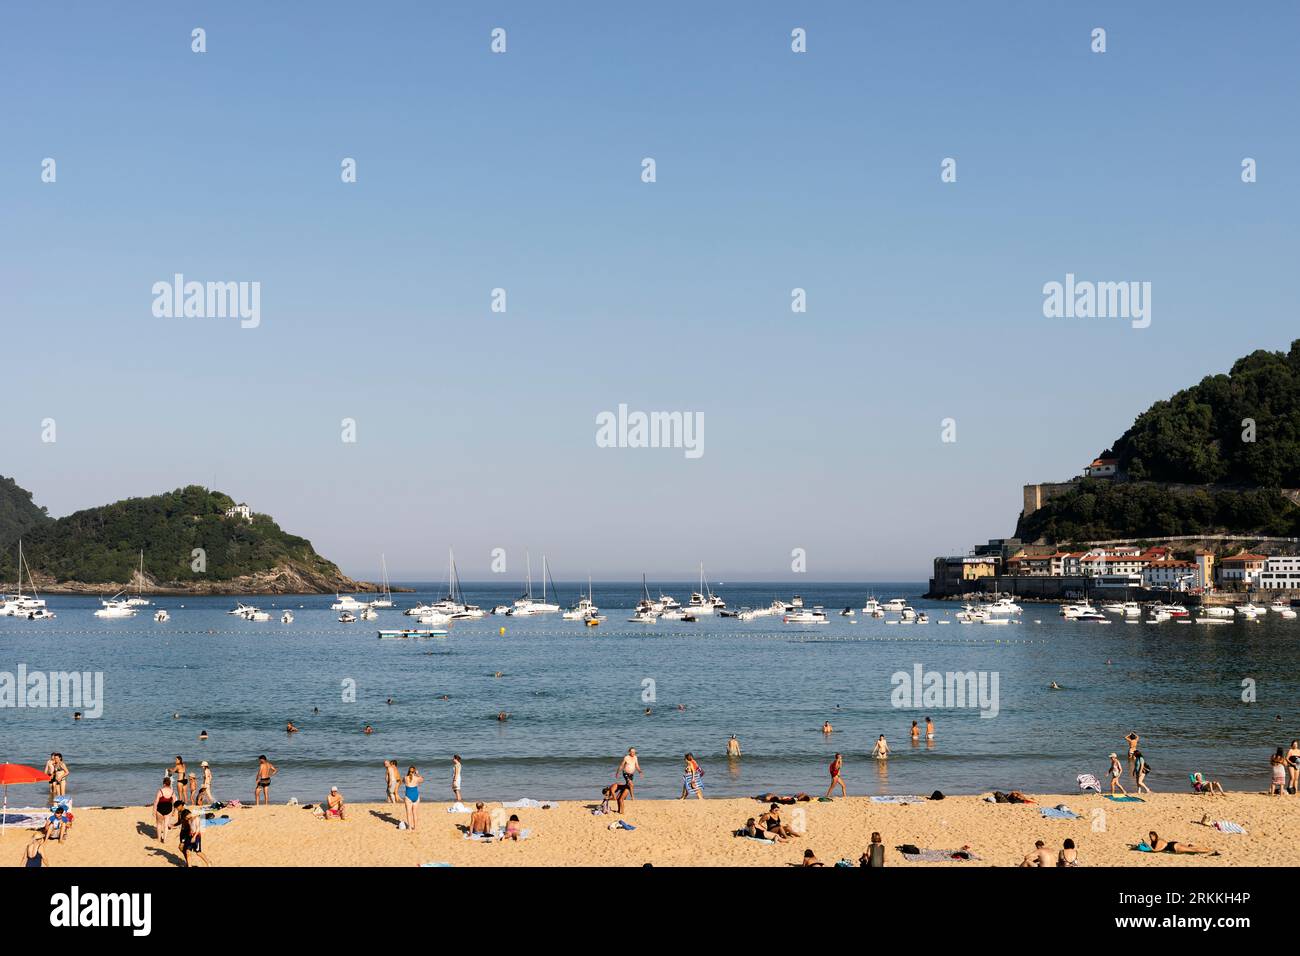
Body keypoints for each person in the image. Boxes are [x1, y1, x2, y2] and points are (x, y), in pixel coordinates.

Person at [1147, 831, 1214, 854]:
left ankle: (1208, 850)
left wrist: (1148, 847)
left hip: (1174, 847)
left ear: (1155, 835)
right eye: (1150, 837)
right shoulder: (1155, 841)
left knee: (1193, 850)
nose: (1151, 838)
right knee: (1192, 849)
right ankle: (1207, 849)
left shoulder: (1159, 841)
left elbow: (1156, 850)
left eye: (1152, 836)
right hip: (1173, 845)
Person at [153, 776, 176, 844]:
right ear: (169, 784)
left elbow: (156, 801)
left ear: (164, 784)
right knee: (166, 825)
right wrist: (175, 811)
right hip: (168, 809)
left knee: (159, 824)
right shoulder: (172, 791)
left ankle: (159, 839)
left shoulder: (160, 791)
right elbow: (175, 802)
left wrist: (154, 810)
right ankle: (165, 840)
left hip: (160, 808)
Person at [402, 766, 423, 830]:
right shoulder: (417, 778)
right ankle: (415, 828)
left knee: (408, 813)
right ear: (414, 771)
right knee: (415, 813)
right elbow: (422, 779)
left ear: (408, 771)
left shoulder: (405, 778)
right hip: (416, 795)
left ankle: (410, 828)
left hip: (408, 796)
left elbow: (402, 781)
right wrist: (417, 774)